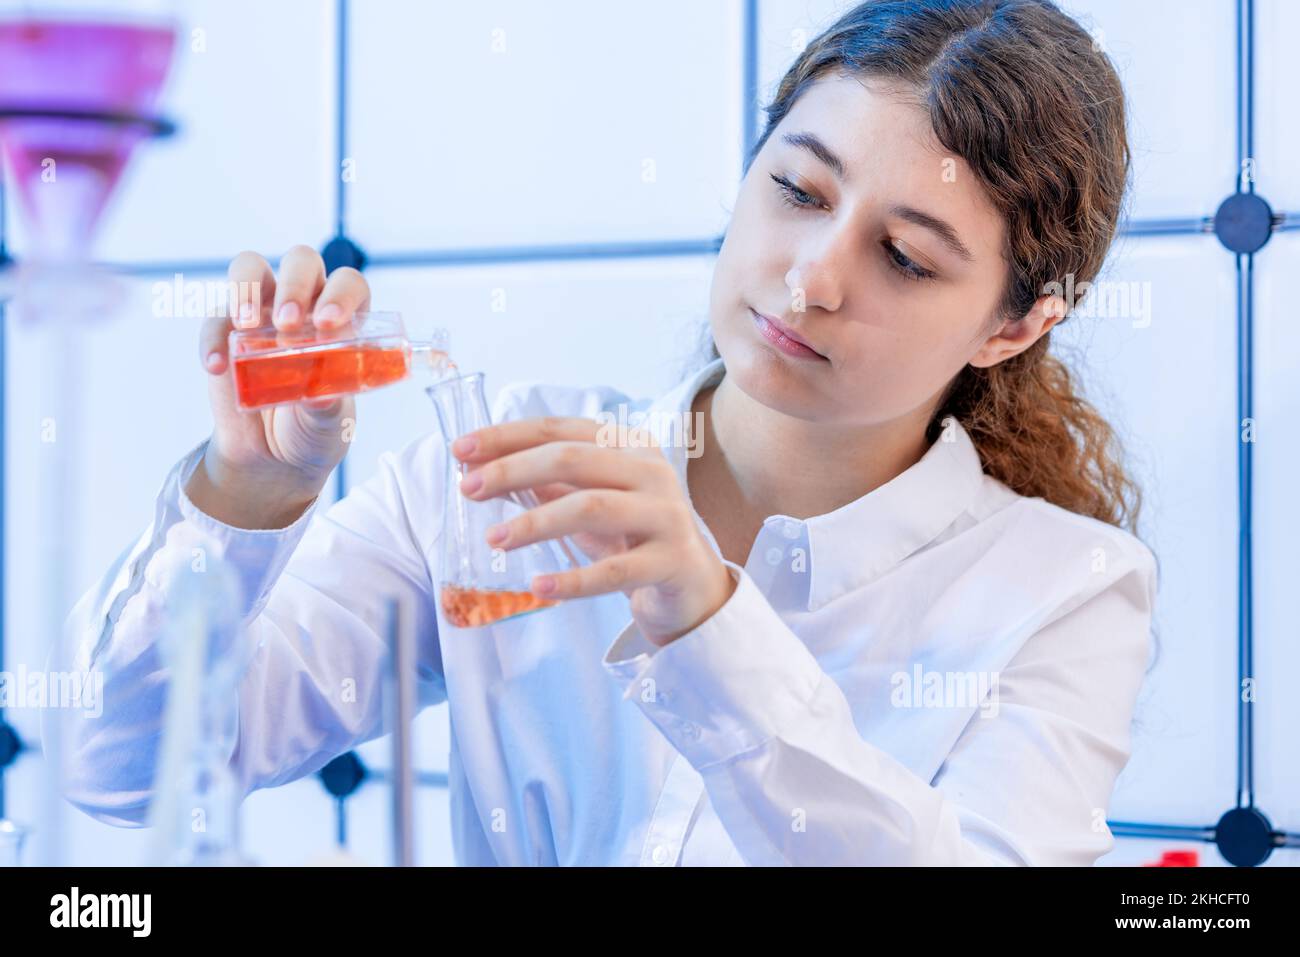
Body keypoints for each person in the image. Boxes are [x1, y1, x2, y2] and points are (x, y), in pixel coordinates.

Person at [59, 0, 1158, 865]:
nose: (812, 276)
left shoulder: (1065, 591)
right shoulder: (499, 473)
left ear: (1015, 324)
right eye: (796, 188)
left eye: (906, 258)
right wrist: (247, 492)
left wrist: (708, 623)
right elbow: (125, 770)